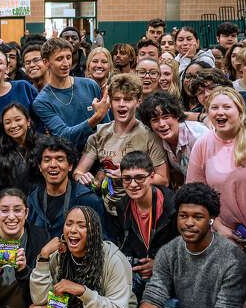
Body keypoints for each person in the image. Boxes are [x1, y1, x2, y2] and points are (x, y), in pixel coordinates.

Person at [186, 88, 246, 277]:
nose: (220, 112)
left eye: (227, 107)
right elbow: (193, 196)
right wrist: (217, 226)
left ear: (240, 111)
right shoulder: (203, 144)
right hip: (224, 236)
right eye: (214, 107)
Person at [74, 73, 168, 231]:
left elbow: (163, 179)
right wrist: (84, 177)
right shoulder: (99, 134)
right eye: (117, 99)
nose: (122, 105)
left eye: (128, 99)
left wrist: (128, 177)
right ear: (110, 102)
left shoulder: (149, 136)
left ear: (138, 102)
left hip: (140, 213)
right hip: (106, 213)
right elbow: (78, 171)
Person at [113, 151, 178, 297]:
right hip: (137, 276)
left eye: (140, 178)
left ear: (152, 176)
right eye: (127, 179)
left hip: (169, 278)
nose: (133, 184)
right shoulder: (122, 206)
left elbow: (186, 250)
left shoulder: (172, 205)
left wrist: (159, 264)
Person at [32, 37, 107, 149]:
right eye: (59, 59)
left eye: (68, 57)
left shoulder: (90, 85)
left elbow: (107, 129)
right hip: (70, 160)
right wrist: (95, 118)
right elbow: (65, 136)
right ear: (46, 62)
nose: (66, 63)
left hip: (100, 155)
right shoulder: (42, 101)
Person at [27, 134, 104, 240]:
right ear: (40, 167)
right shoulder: (32, 200)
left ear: (70, 166)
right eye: (47, 160)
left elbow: (105, 242)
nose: (53, 164)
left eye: (60, 159)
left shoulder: (88, 200)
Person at [139, 90, 210, 187]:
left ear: (177, 116)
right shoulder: (158, 139)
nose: (162, 124)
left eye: (166, 117)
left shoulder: (198, 136)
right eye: (155, 120)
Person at [0, 103, 40, 196]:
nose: (13, 125)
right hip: (17, 205)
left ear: (28, 121)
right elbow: (0, 190)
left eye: (18, 120)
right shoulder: (0, 152)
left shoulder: (44, 144)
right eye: (8, 122)